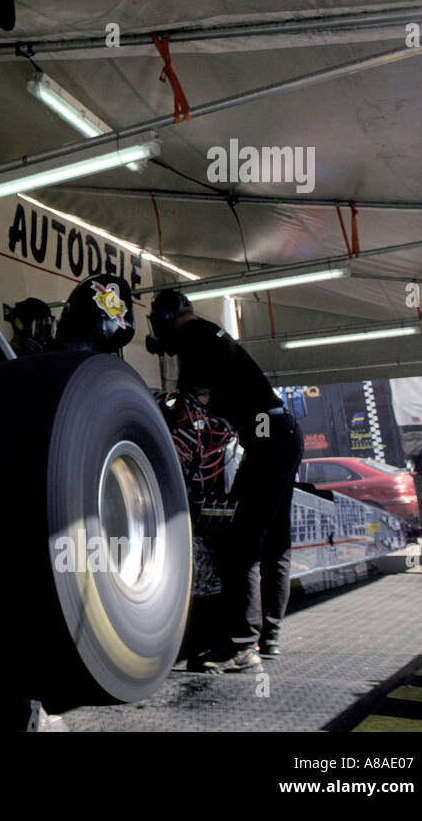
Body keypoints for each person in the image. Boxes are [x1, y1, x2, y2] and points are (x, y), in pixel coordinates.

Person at [146, 288, 304, 674]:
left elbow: (188, 404)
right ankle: (269, 638)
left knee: (241, 543)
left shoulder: (192, 337)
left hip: (268, 445)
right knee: (274, 544)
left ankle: (240, 647)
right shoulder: (211, 333)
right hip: (282, 436)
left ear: (167, 319)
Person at [0, 297, 54, 368]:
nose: (42, 332)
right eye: (38, 326)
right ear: (20, 325)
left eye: (46, 327)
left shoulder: (45, 355)